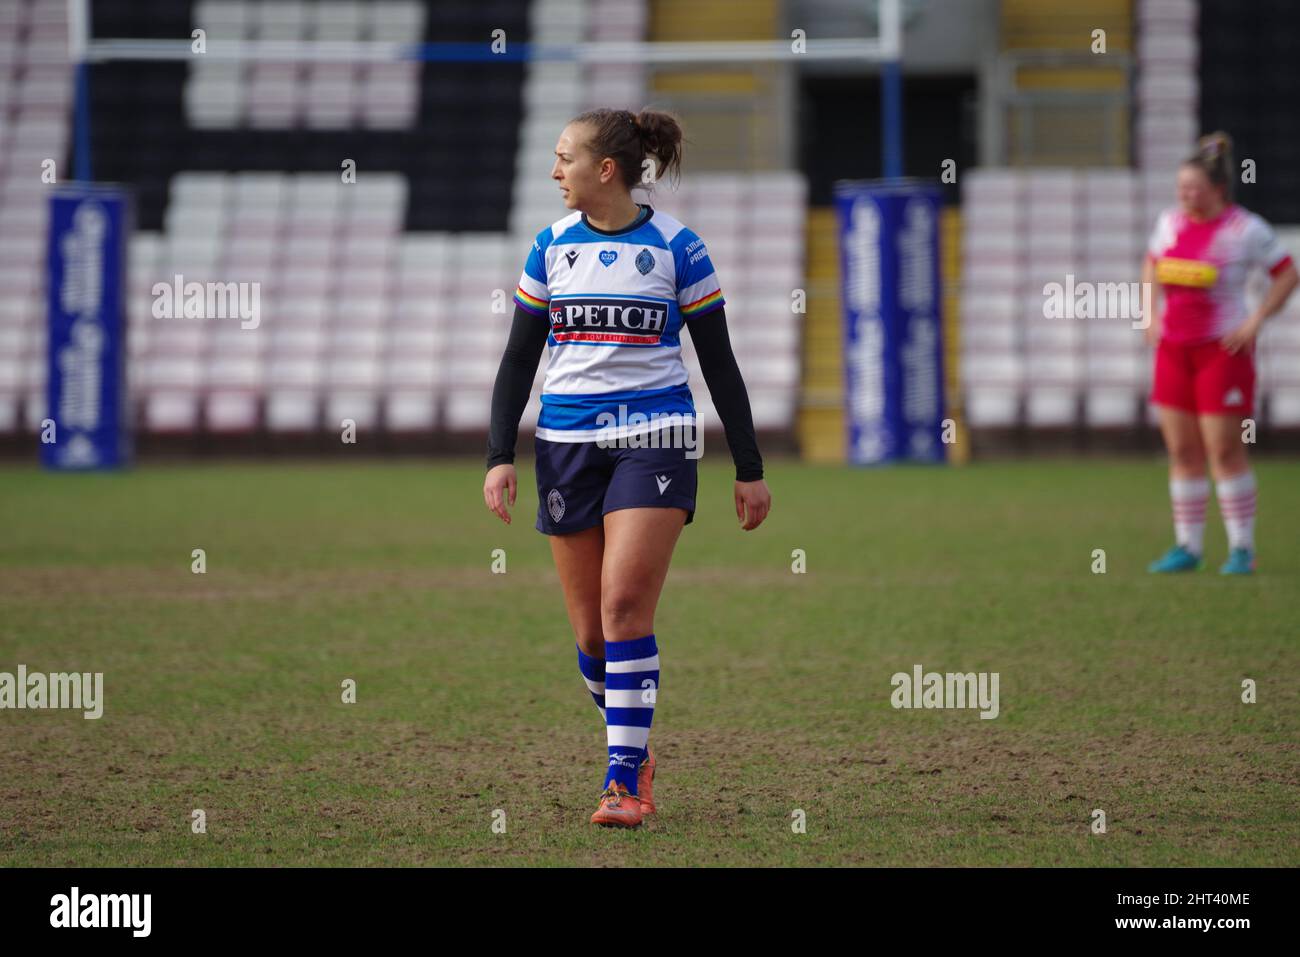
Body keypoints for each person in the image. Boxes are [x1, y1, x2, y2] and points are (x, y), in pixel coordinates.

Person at [482, 107, 772, 827]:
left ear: (603, 169)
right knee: (588, 634)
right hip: (566, 445)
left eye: (564, 158)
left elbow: (720, 361)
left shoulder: (679, 249)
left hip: (659, 439)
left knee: (622, 610)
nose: (555, 171)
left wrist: (749, 464)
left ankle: (620, 781)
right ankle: (634, 745)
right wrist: (498, 455)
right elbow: (520, 359)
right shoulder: (549, 249)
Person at [1144, 132, 1297, 574]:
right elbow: (1151, 263)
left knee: (1224, 449)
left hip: (1221, 352)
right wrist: (1149, 316)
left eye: (1194, 189)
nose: (1186, 196)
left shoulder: (1245, 229)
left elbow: (1287, 275)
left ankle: (1241, 549)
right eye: (1181, 189)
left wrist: (1256, 319)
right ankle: (1187, 547)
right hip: (1174, 351)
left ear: (1219, 189)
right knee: (1181, 450)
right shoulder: (1170, 222)